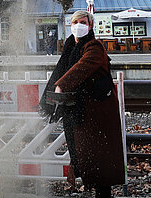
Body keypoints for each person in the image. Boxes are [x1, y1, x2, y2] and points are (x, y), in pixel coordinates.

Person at [40, 10, 125, 198]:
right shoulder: (71, 46)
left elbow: (82, 67)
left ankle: (103, 194)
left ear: (91, 25)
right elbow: (68, 68)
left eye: (83, 22)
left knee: (101, 158)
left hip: (98, 112)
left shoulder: (94, 46)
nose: (79, 25)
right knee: (88, 156)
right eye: (75, 22)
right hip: (82, 111)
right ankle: (96, 190)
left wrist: (61, 85)